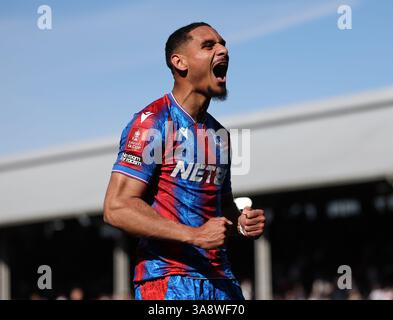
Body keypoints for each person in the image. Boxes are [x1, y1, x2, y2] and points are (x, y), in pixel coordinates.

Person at [103, 22, 265, 300]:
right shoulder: (152, 123)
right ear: (180, 62)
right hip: (168, 280)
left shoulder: (220, 135)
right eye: (208, 45)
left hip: (221, 280)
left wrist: (240, 223)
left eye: (223, 43)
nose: (223, 50)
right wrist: (194, 235)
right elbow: (116, 207)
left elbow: (222, 208)